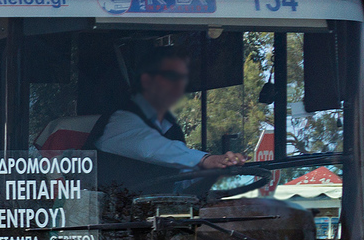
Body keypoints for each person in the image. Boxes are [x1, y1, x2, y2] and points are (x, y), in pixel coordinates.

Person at [89, 45, 246, 171]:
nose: (179, 85)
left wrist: (219, 169)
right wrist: (205, 159)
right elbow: (148, 147)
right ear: (147, 81)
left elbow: (179, 182)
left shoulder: (171, 128)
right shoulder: (121, 120)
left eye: (183, 78)